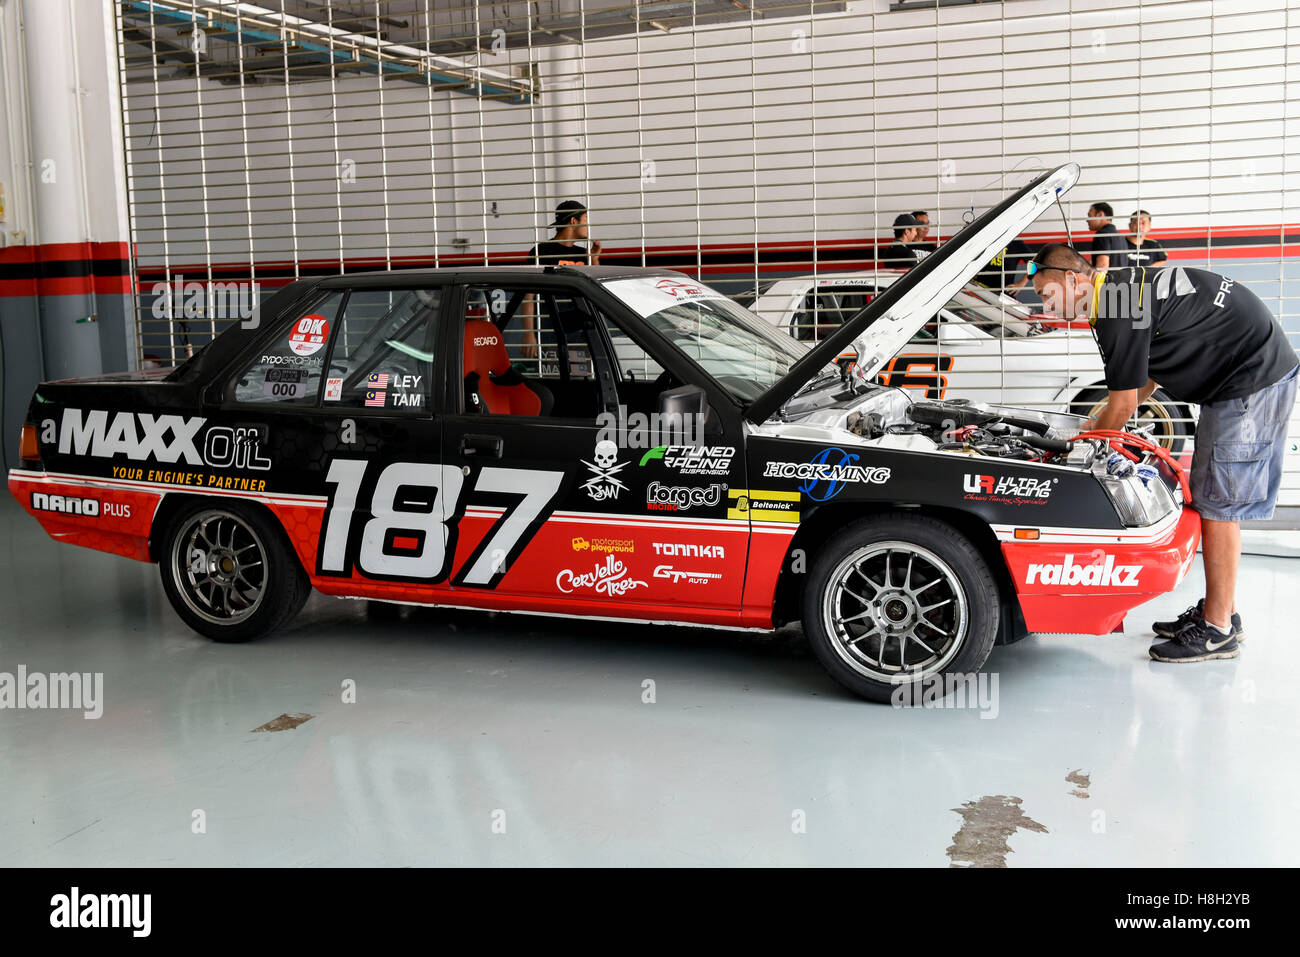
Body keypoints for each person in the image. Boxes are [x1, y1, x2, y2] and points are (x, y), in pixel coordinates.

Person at [1028, 243, 1299, 663]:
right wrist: (1088, 430)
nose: (1045, 307)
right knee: (1213, 497)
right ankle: (1221, 610)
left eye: (1047, 295)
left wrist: (1078, 449)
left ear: (1071, 280)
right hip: (1247, 368)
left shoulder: (1115, 307)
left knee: (1218, 504)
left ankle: (1217, 630)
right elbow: (1142, 383)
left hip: (1251, 377)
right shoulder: (1119, 290)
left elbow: (1122, 405)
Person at [521, 200, 601, 356]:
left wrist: (594, 258)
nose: (588, 226)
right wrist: (529, 333)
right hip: (549, 328)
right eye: (585, 220)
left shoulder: (582, 253)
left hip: (581, 329)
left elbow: (596, 291)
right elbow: (528, 296)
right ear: (573, 221)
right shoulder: (542, 251)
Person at [1086, 201, 1126, 270]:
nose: (1087, 220)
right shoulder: (1121, 237)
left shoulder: (1102, 234)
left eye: (1090, 216)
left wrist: (1098, 280)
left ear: (1100, 215)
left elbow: (1102, 265)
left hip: (1106, 280)